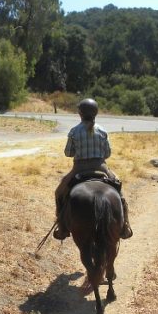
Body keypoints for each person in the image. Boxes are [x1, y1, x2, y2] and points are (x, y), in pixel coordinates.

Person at [53, 98, 133, 240]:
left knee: (59, 192)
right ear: (96, 113)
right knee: (120, 191)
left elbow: (68, 153)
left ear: (80, 113)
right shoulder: (102, 131)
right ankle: (125, 224)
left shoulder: (74, 131)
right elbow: (107, 153)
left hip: (79, 168)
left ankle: (62, 227)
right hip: (101, 167)